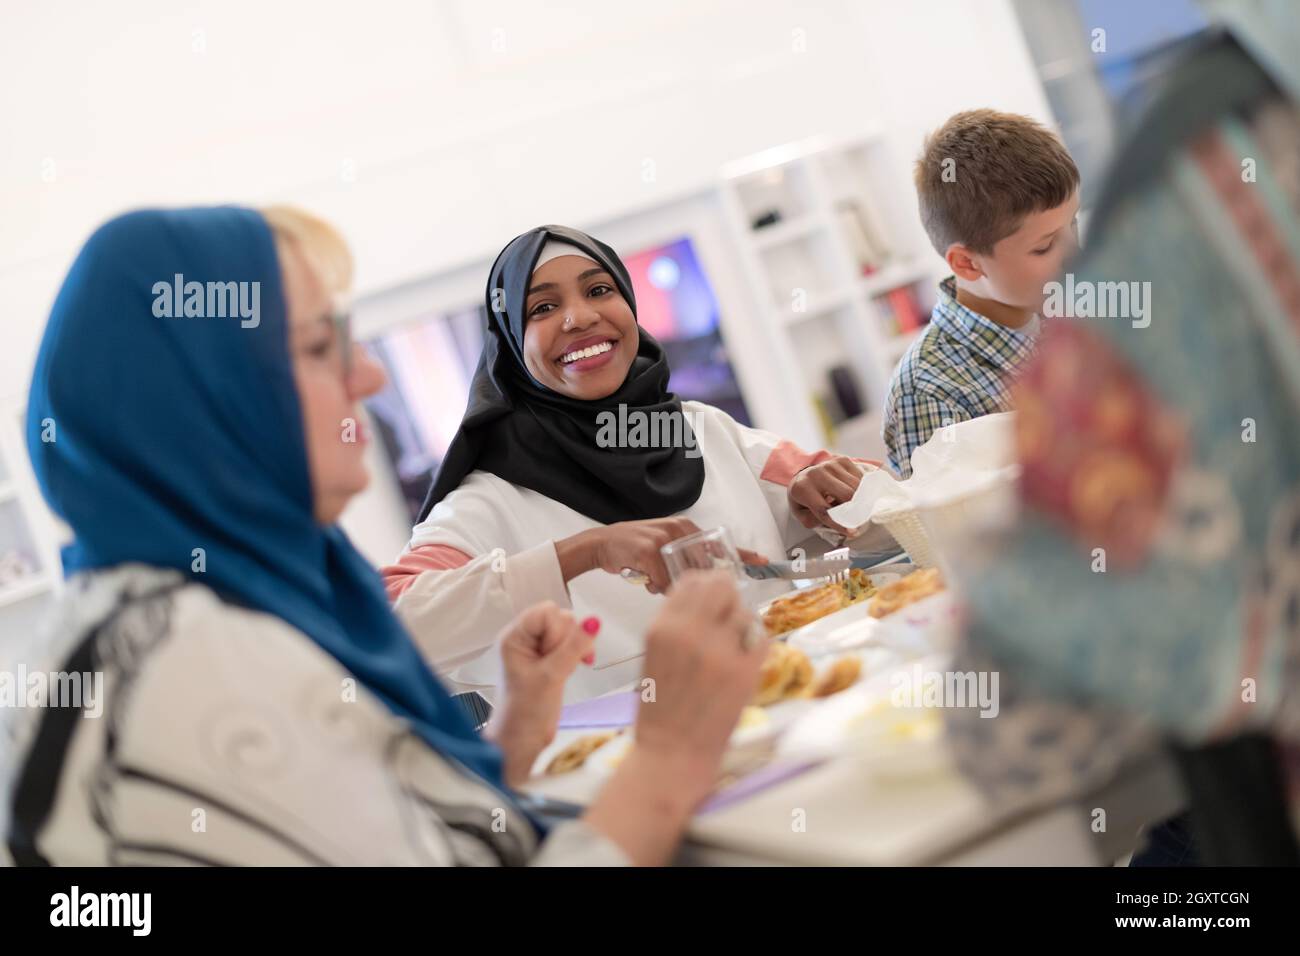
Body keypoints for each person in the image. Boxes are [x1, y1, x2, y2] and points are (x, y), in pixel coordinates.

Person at [1, 206, 765, 866]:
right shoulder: (195, 658)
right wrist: (670, 753)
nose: (366, 378)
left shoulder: (242, 594)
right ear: (199, 401)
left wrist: (513, 737)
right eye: (315, 348)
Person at [941, 3, 1300, 864]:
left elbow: (1019, 722)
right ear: (966, 263)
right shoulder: (941, 372)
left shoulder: (1196, 188)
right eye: (1043, 247)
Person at [383, 225, 878, 701]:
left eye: (599, 290)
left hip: (800, 717)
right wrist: (583, 552)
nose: (578, 317)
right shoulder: (489, 500)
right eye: (543, 307)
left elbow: (886, 507)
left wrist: (825, 486)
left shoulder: (703, 431)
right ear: (511, 344)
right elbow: (388, 623)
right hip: (633, 774)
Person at [881, 109, 1080, 478]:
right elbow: (958, 529)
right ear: (968, 264)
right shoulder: (930, 390)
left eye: (1074, 224)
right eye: (1045, 246)